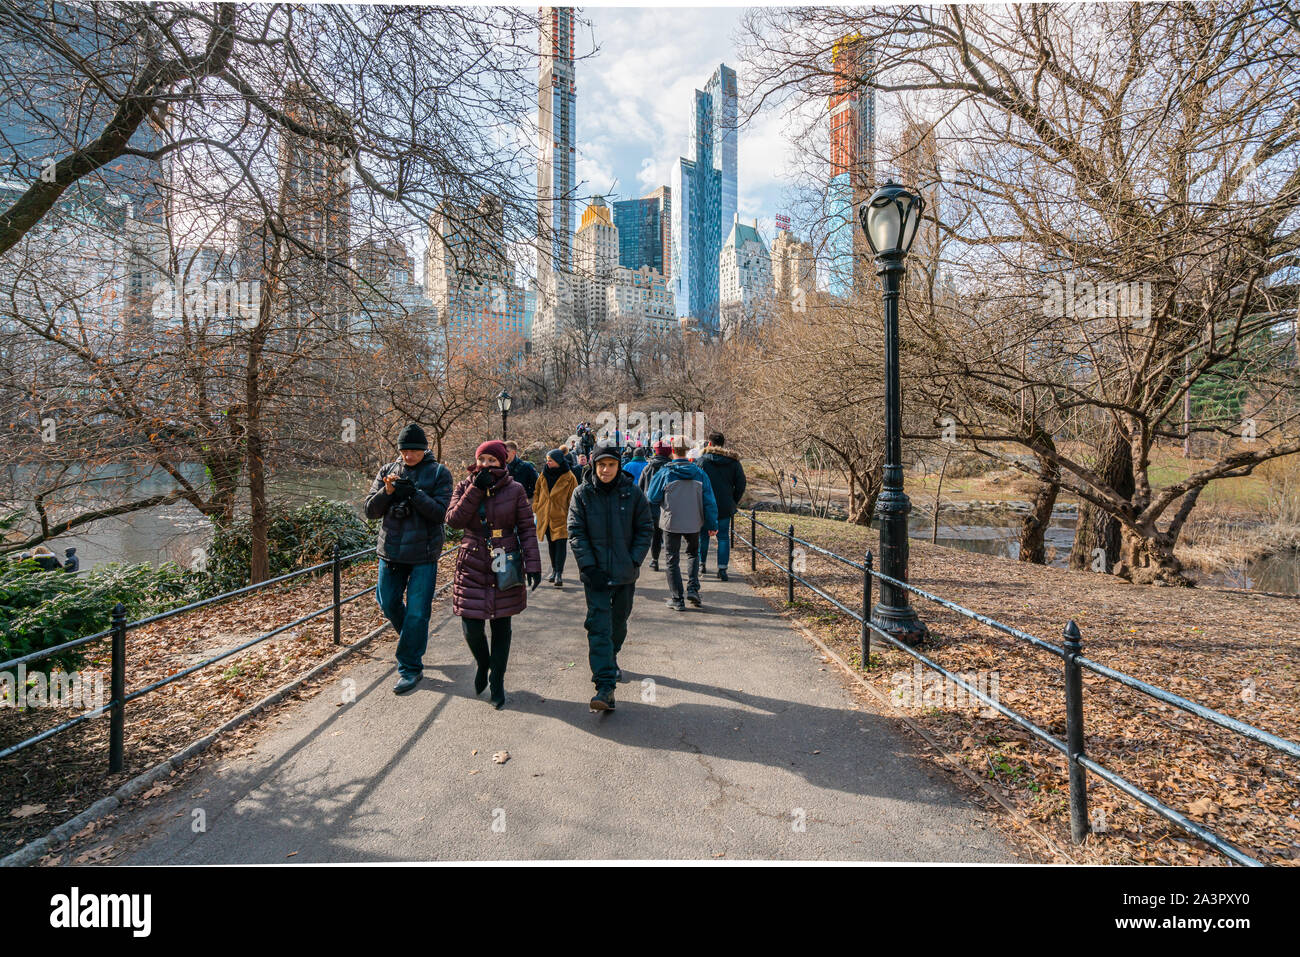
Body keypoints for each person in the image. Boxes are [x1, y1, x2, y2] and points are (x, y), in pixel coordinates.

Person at [445, 440, 542, 709]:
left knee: (502, 626)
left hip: (505, 559)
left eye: (492, 460)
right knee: (471, 625)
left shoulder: (516, 490)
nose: (486, 465)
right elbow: (453, 520)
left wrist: (533, 565)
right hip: (473, 558)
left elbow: (526, 529)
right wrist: (476, 489)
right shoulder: (465, 486)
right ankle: (483, 663)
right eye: (482, 460)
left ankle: (497, 679)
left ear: (503, 462)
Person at [365, 424, 455, 694]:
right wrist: (388, 492)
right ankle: (412, 641)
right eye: (404, 451)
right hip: (390, 552)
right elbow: (370, 510)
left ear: (424, 449)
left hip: (423, 555)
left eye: (413, 451)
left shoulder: (439, 473)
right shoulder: (386, 472)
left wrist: (414, 494)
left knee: (417, 612)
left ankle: (410, 668)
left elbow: (442, 513)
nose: (408, 456)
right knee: (388, 602)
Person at [567, 439, 653, 712]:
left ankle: (611, 657)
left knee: (618, 623)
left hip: (625, 573)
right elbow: (576, 532)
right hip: (596, 576)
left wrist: (634, 559)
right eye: (602, 464)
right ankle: (605, 687)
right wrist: (588, 567)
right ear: (593, 465)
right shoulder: (582, 494)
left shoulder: (632, 493)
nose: (606, 470)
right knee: (598, 625)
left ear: (619, 465)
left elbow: (645, 528)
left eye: (611, 464)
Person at [646, 436, 717, 610]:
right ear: (688, 450)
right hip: (694, 521)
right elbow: (709, 501)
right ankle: (692, 588)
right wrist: (712, 524)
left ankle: (677, 599)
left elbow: (652, 497)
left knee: (672, 559)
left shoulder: (665, 472)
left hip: (671, 521)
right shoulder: (700, 473)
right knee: (693, 554)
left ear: (672, 450)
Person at [696, 432, 747, 581]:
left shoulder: (701, 462)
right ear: (723, 444)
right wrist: (733, 500)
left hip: (704, 505)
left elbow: (695, 483)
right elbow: (741, 484)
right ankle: (722, 569)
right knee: (723, 537)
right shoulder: (733, 462)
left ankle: (701, 564)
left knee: (703, 536)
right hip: (725, 505)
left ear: (709, 444)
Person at [533, 448, 578, 587]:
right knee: (551, 544)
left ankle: (559, 572)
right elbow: (537, 491)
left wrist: (570, 513)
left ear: (558, 461)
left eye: (550, 460)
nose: (548, 463)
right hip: (545, 515)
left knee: (560, 545)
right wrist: (536, 506)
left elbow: (574, 497)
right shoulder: (543, 474)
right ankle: (553, 570)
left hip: (561, 516)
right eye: (547, 460)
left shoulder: (569, 477)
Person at [636, 441, 672, 571]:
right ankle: (671, 562)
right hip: (668, 507)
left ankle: (654, 560)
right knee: (669, 535)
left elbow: (640, 488)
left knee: (655, 534)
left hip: (651, 506)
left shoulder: (648, 467)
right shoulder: (671, 468)